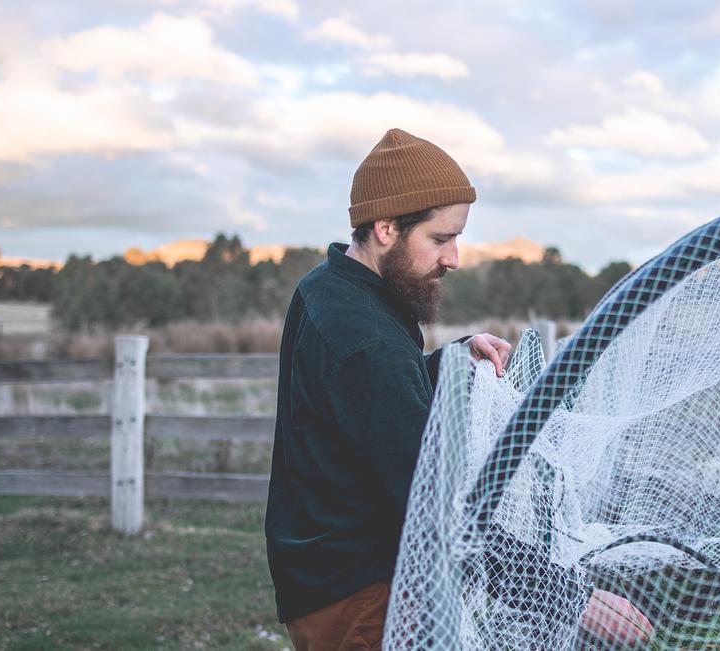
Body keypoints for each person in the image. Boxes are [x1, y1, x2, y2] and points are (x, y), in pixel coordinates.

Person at [265, 128, 650, 650]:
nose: (454, 258)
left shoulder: (330, 287)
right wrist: (573, 598)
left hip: (329, 575)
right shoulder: (366, 339)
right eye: (440, 238)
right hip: (361, 594)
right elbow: (437, 518)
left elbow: (359, 407)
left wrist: (443, 361)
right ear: (385, 228)